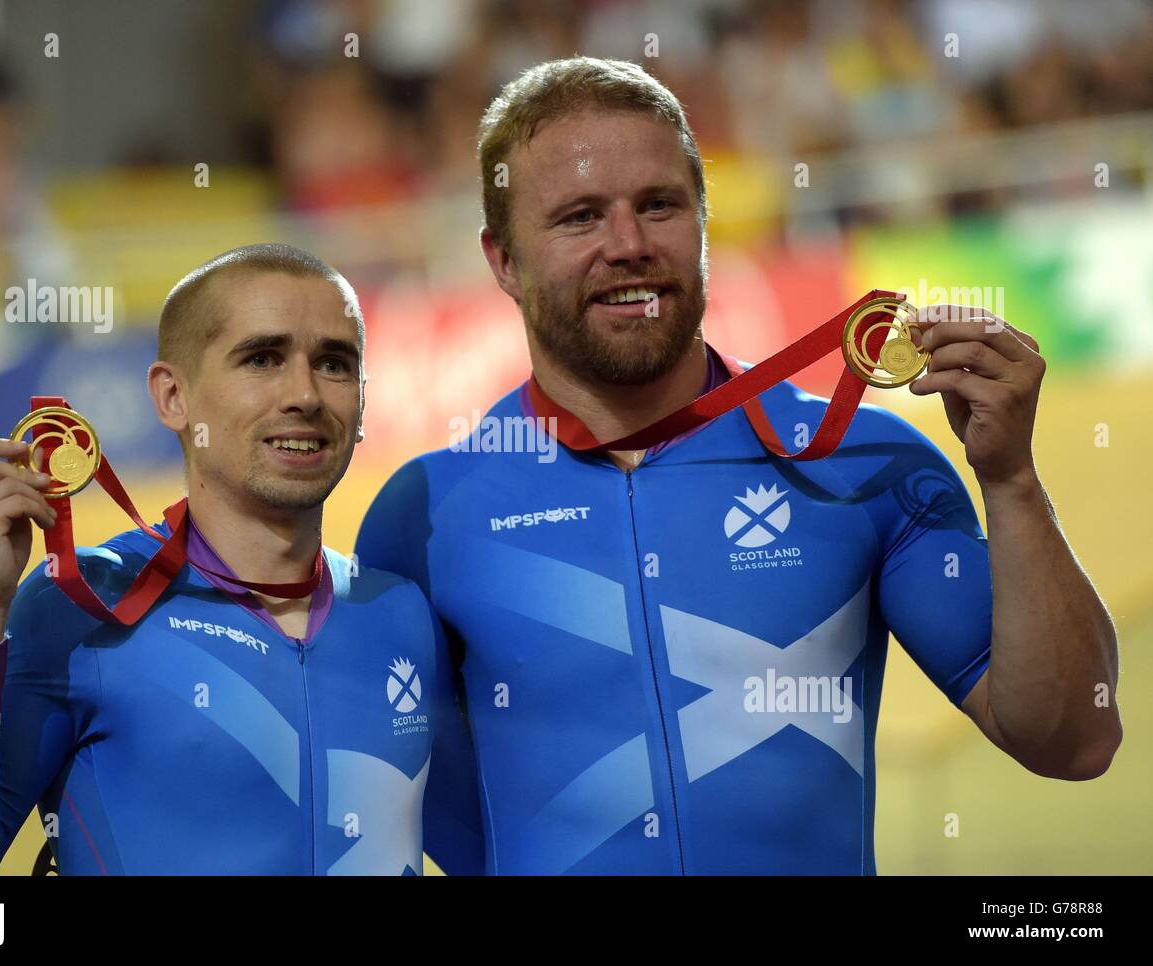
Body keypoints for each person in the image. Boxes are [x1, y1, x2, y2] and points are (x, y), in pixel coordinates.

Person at [356, 58, 1122, 874]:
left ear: (704, 222)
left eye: (660, 205)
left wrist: (1011, 482)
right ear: (503, 260)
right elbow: (398, 813)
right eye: (580, 217)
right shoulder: (428, 515)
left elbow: (1074, 739)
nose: (630, 245)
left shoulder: (862, 465)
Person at [0, 243, 478, 875]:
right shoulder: (80, 608)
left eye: (332, 363)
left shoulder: (400, 613)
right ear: (172, 397)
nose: (304, 393)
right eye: (263, 358)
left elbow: (490, 848)